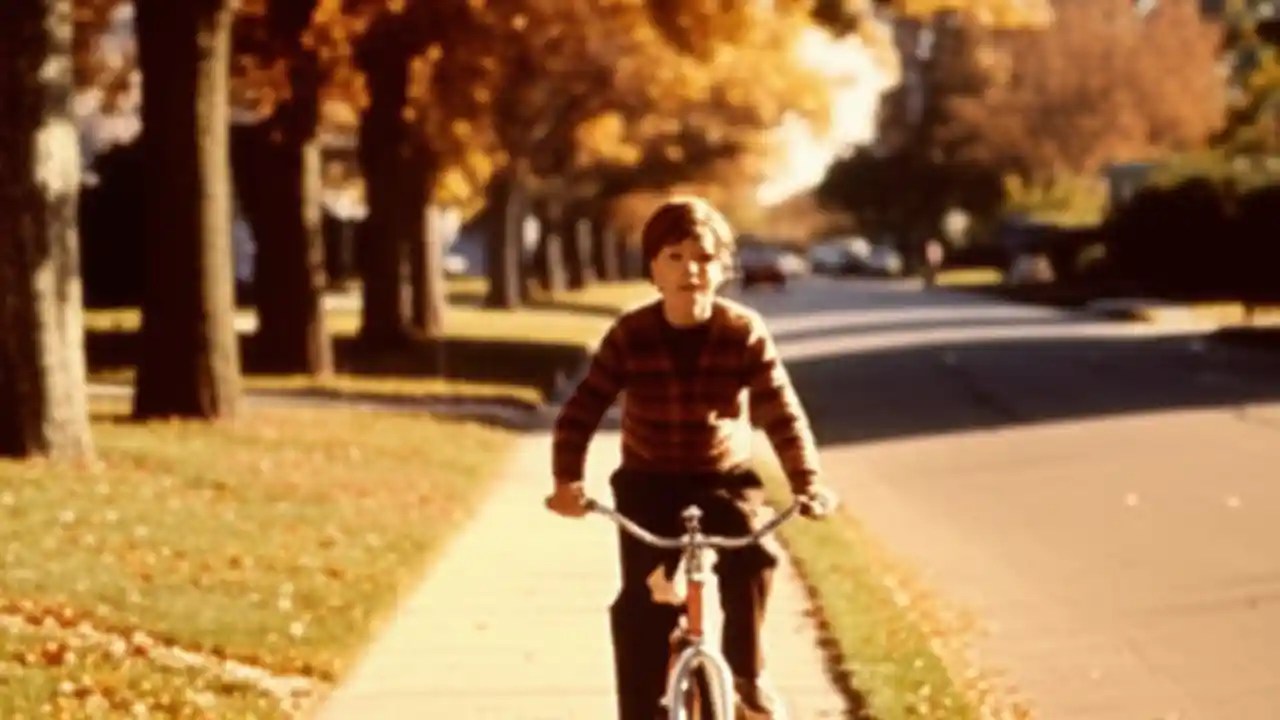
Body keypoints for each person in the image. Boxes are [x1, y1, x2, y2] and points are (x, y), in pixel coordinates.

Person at [544, 196, 837, 720]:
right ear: (654, 269)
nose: (690, 270)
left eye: (703, 258)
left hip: (724, 478)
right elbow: (581, 411)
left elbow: (782, 414)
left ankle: (748, 674)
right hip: (647, 483)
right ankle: (640, 710)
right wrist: (567, 481)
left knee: (754, 556)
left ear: (723, 268)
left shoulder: (741, 331)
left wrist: (807, 482)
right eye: (674, 257)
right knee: (644, 605)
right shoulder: (630, 335)